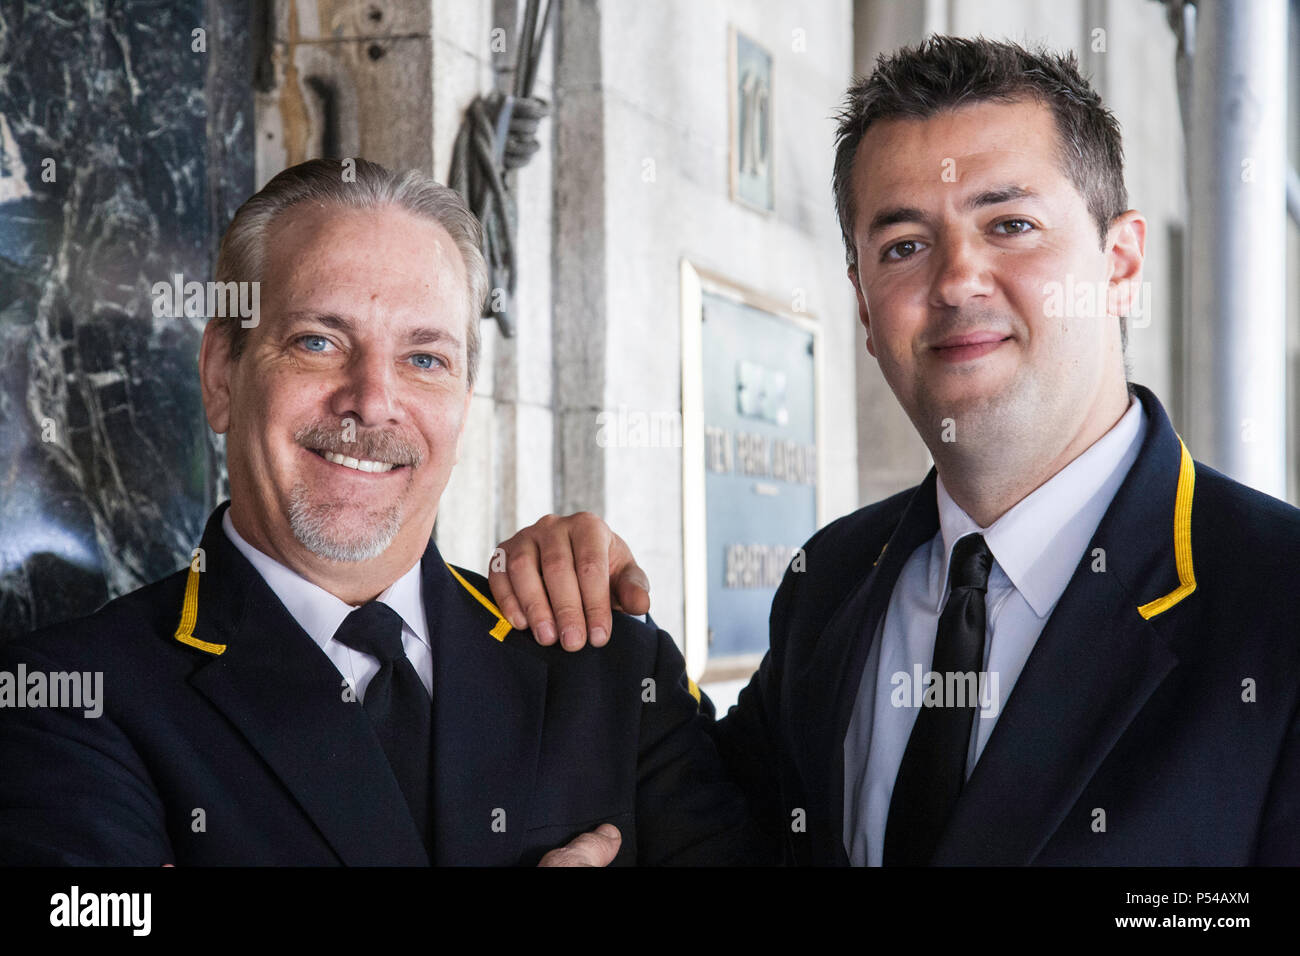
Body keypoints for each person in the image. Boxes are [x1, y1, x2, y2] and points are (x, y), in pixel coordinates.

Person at [488, 36, 1300, 865]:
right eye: (905, 245)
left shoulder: (1278, 604)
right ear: (866, 310)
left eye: (1011, 225)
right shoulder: (831, 582)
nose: (956, 280)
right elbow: (717, 830)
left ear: (1120, 266)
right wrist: (587, 598)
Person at [0, 158, 768, 866]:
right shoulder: (71, 698)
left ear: (463, 402)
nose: (372, 400)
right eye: (317, 341)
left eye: (424, 358)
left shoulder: (610, 670)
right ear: (221, 374)